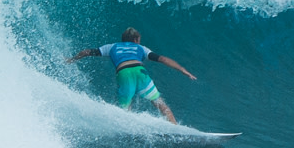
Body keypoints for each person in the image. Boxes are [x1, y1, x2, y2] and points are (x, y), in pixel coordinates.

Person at [68, 26, 198, 123]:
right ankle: (174, 128)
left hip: (123, 73)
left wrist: (71, 60)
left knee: (125, 110)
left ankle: (128, 130)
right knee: (159, 103)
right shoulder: (141, 48)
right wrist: (183, 70)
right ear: (136, 40)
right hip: (140, 72)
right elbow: (163, 59)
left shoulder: (112, 47)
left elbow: (86, 52)